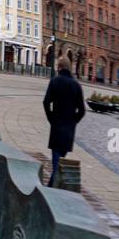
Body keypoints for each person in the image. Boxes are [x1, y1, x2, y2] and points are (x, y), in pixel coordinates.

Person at [42, 56, 85, 187]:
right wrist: (73, 122)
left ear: (59, 67)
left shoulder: (55, 81)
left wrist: (51, 119)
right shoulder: (76, 85)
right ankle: (52, 185)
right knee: (60, 159)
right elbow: (82, 110)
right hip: (68, 129)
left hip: (57, 125)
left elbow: (46, 102)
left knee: (56, 160)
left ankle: (52, 188)